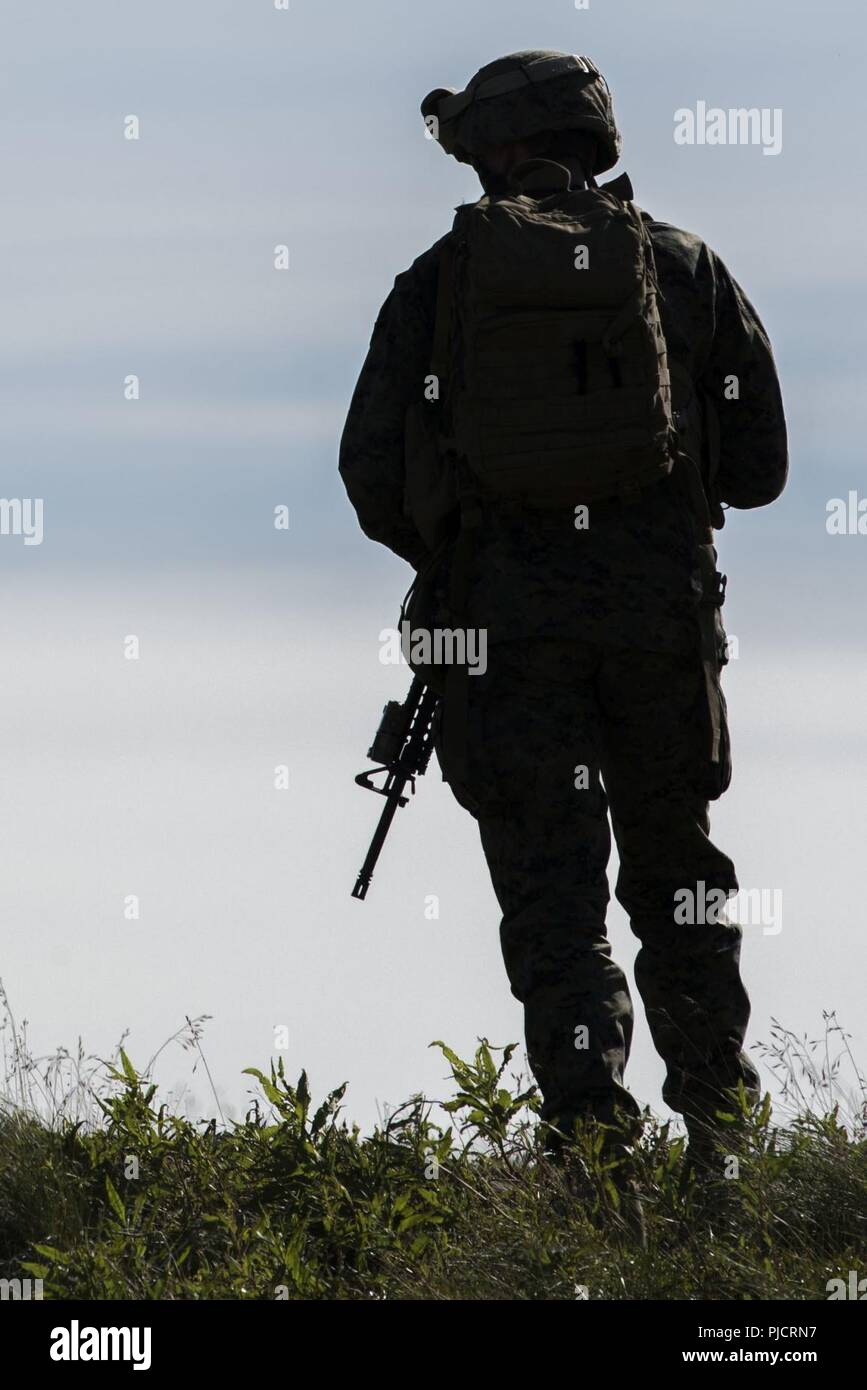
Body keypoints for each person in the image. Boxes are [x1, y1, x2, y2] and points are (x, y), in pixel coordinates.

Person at [339, 52, 788, 1183]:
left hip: (503, 638)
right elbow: (763, 470)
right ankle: (722, 1143)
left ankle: (595, 1149)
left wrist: (464, 552)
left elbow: (369, 474)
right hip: (661, 633)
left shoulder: (441, 281)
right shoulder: (686, 272)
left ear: (492, 148)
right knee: (680, 876)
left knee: (554, 896)